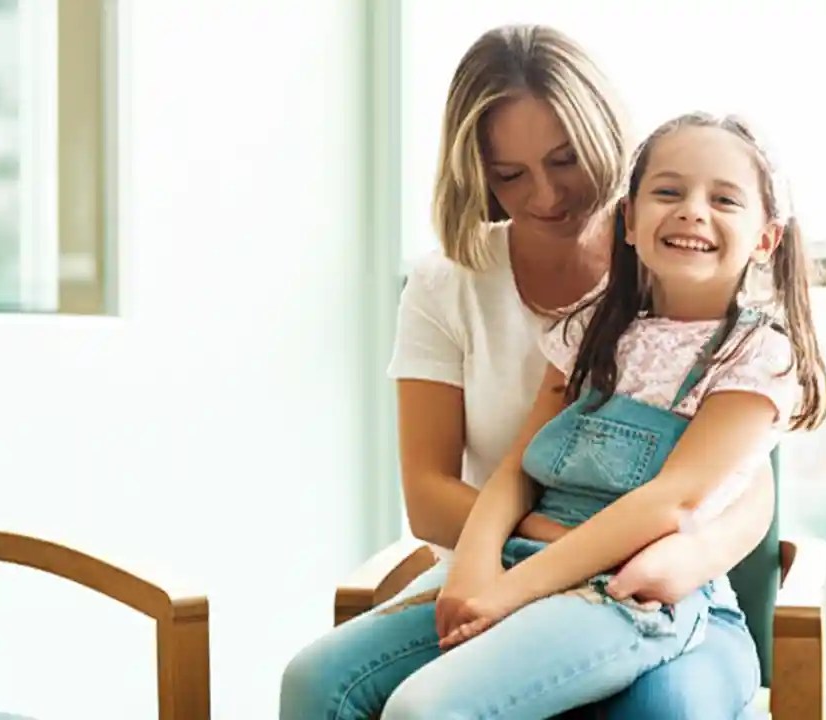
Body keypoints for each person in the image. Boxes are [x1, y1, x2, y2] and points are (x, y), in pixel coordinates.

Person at [283, 25, 781, 719]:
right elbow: (435, 492)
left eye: (564, 159)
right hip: (507, 556)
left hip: (652, 578)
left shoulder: (677, 270)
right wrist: (518, 561)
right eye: (510, 175)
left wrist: (667, 555)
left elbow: (737, 481)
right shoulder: (474, 293)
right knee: (318, 681)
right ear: (477, 172)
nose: (546, 195)